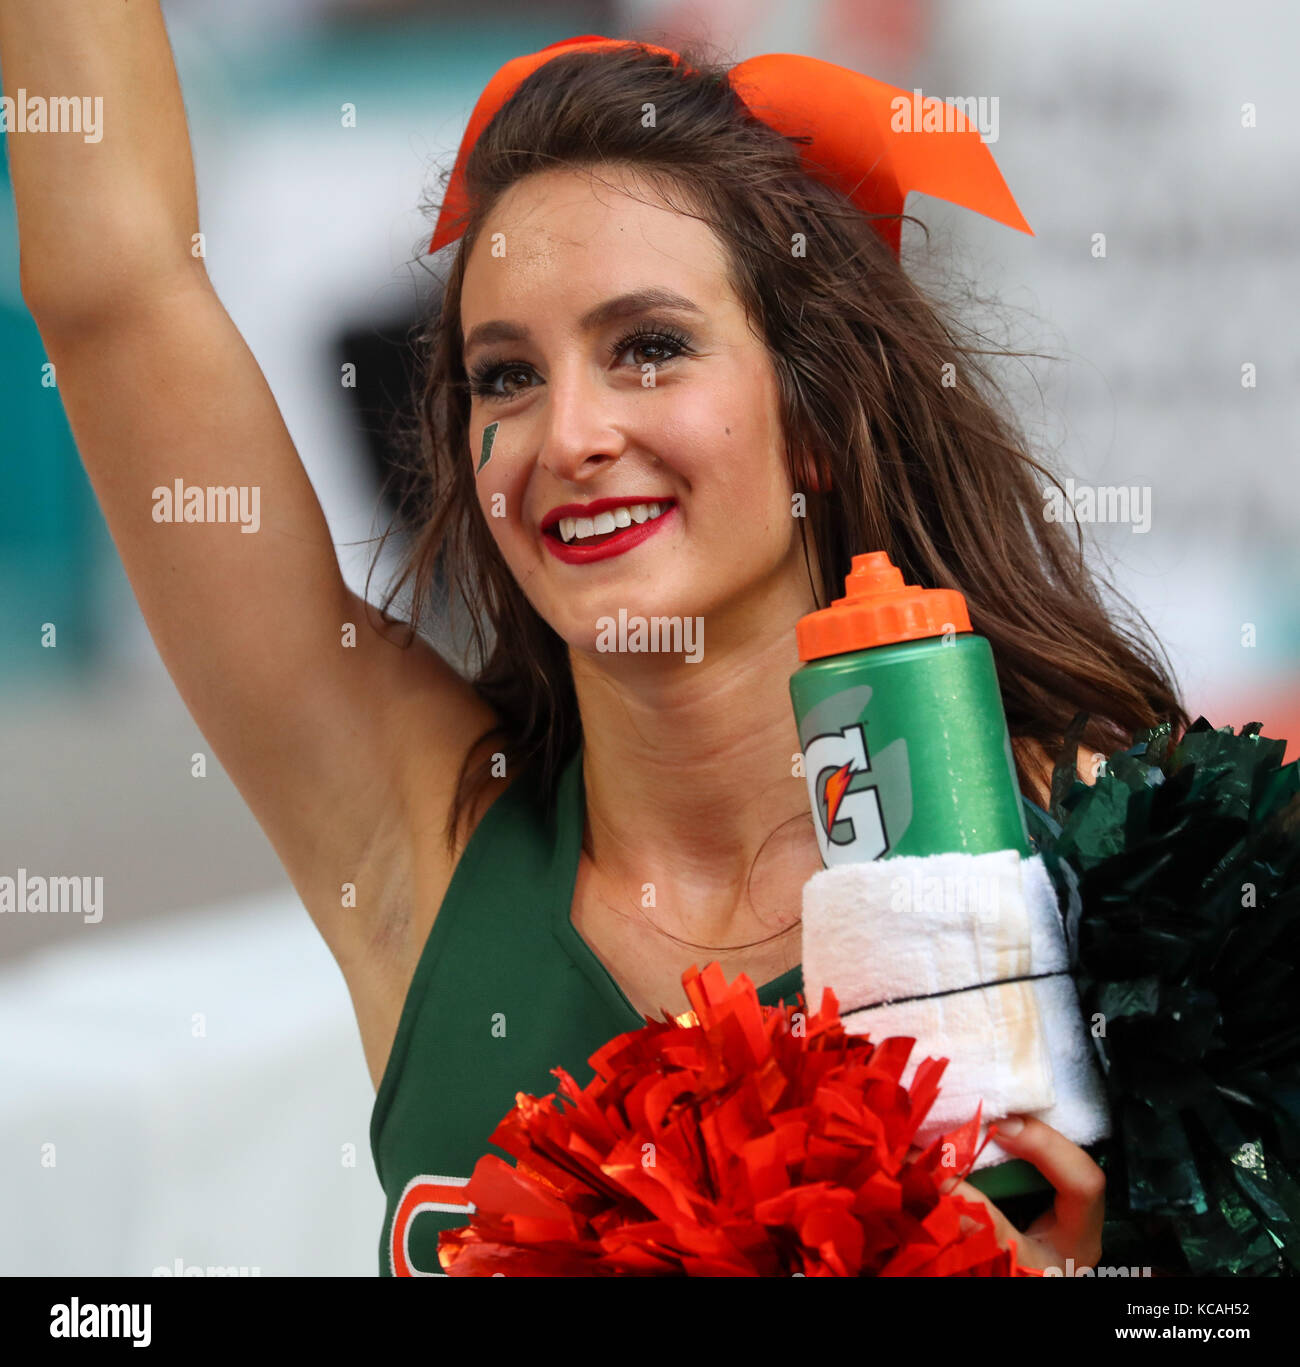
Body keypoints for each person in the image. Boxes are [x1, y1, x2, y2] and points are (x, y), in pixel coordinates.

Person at [3, 9, 1189, 1277]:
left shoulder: (1104, 840)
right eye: (504, 376)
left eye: (648, 349)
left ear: (818, 416)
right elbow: (119, 296)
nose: (567, 434)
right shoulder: (424, 842)